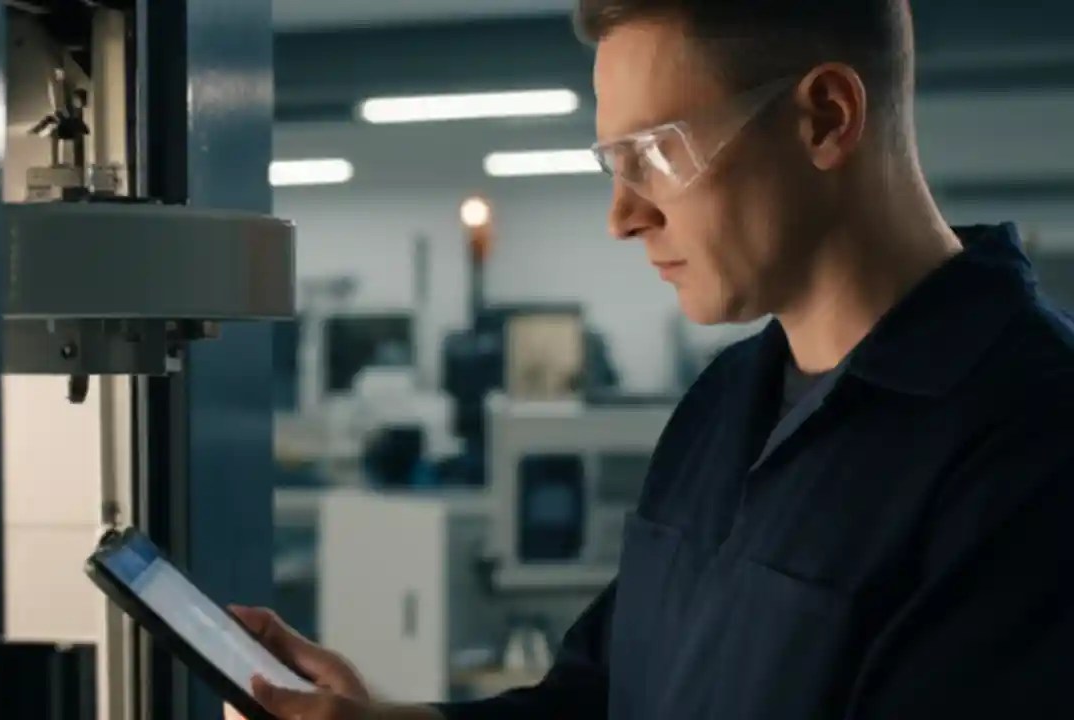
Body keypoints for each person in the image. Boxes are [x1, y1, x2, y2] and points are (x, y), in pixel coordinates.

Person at [232, 1, 1074, 718]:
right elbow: (599, 697)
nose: (622, 215)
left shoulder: (1033, 447)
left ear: (826, 117)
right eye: (613, 163)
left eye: (657, 155)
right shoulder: (727, 401)